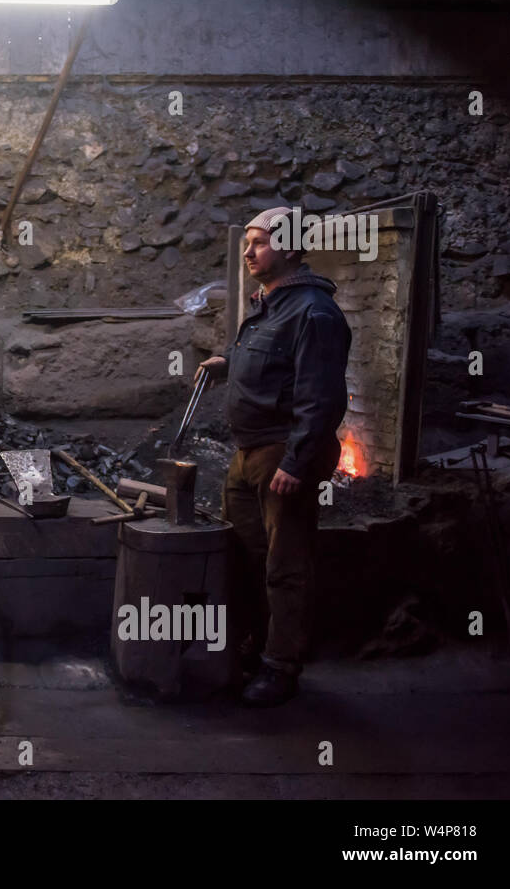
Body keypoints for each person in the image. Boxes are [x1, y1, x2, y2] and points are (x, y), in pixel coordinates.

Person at [196, 206, 351, 706]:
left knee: (286, 564)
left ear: (287, 248)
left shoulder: (314, 313)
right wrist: (227, 362)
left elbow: (320, 399)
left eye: (259, 242)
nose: (248, 252)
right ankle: (250, 646)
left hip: (281, 454)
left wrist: (297, 462)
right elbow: (269, 361)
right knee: (244, 555)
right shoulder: (268, 304)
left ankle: (281, 666)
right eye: (248, 242)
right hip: (246, 453)